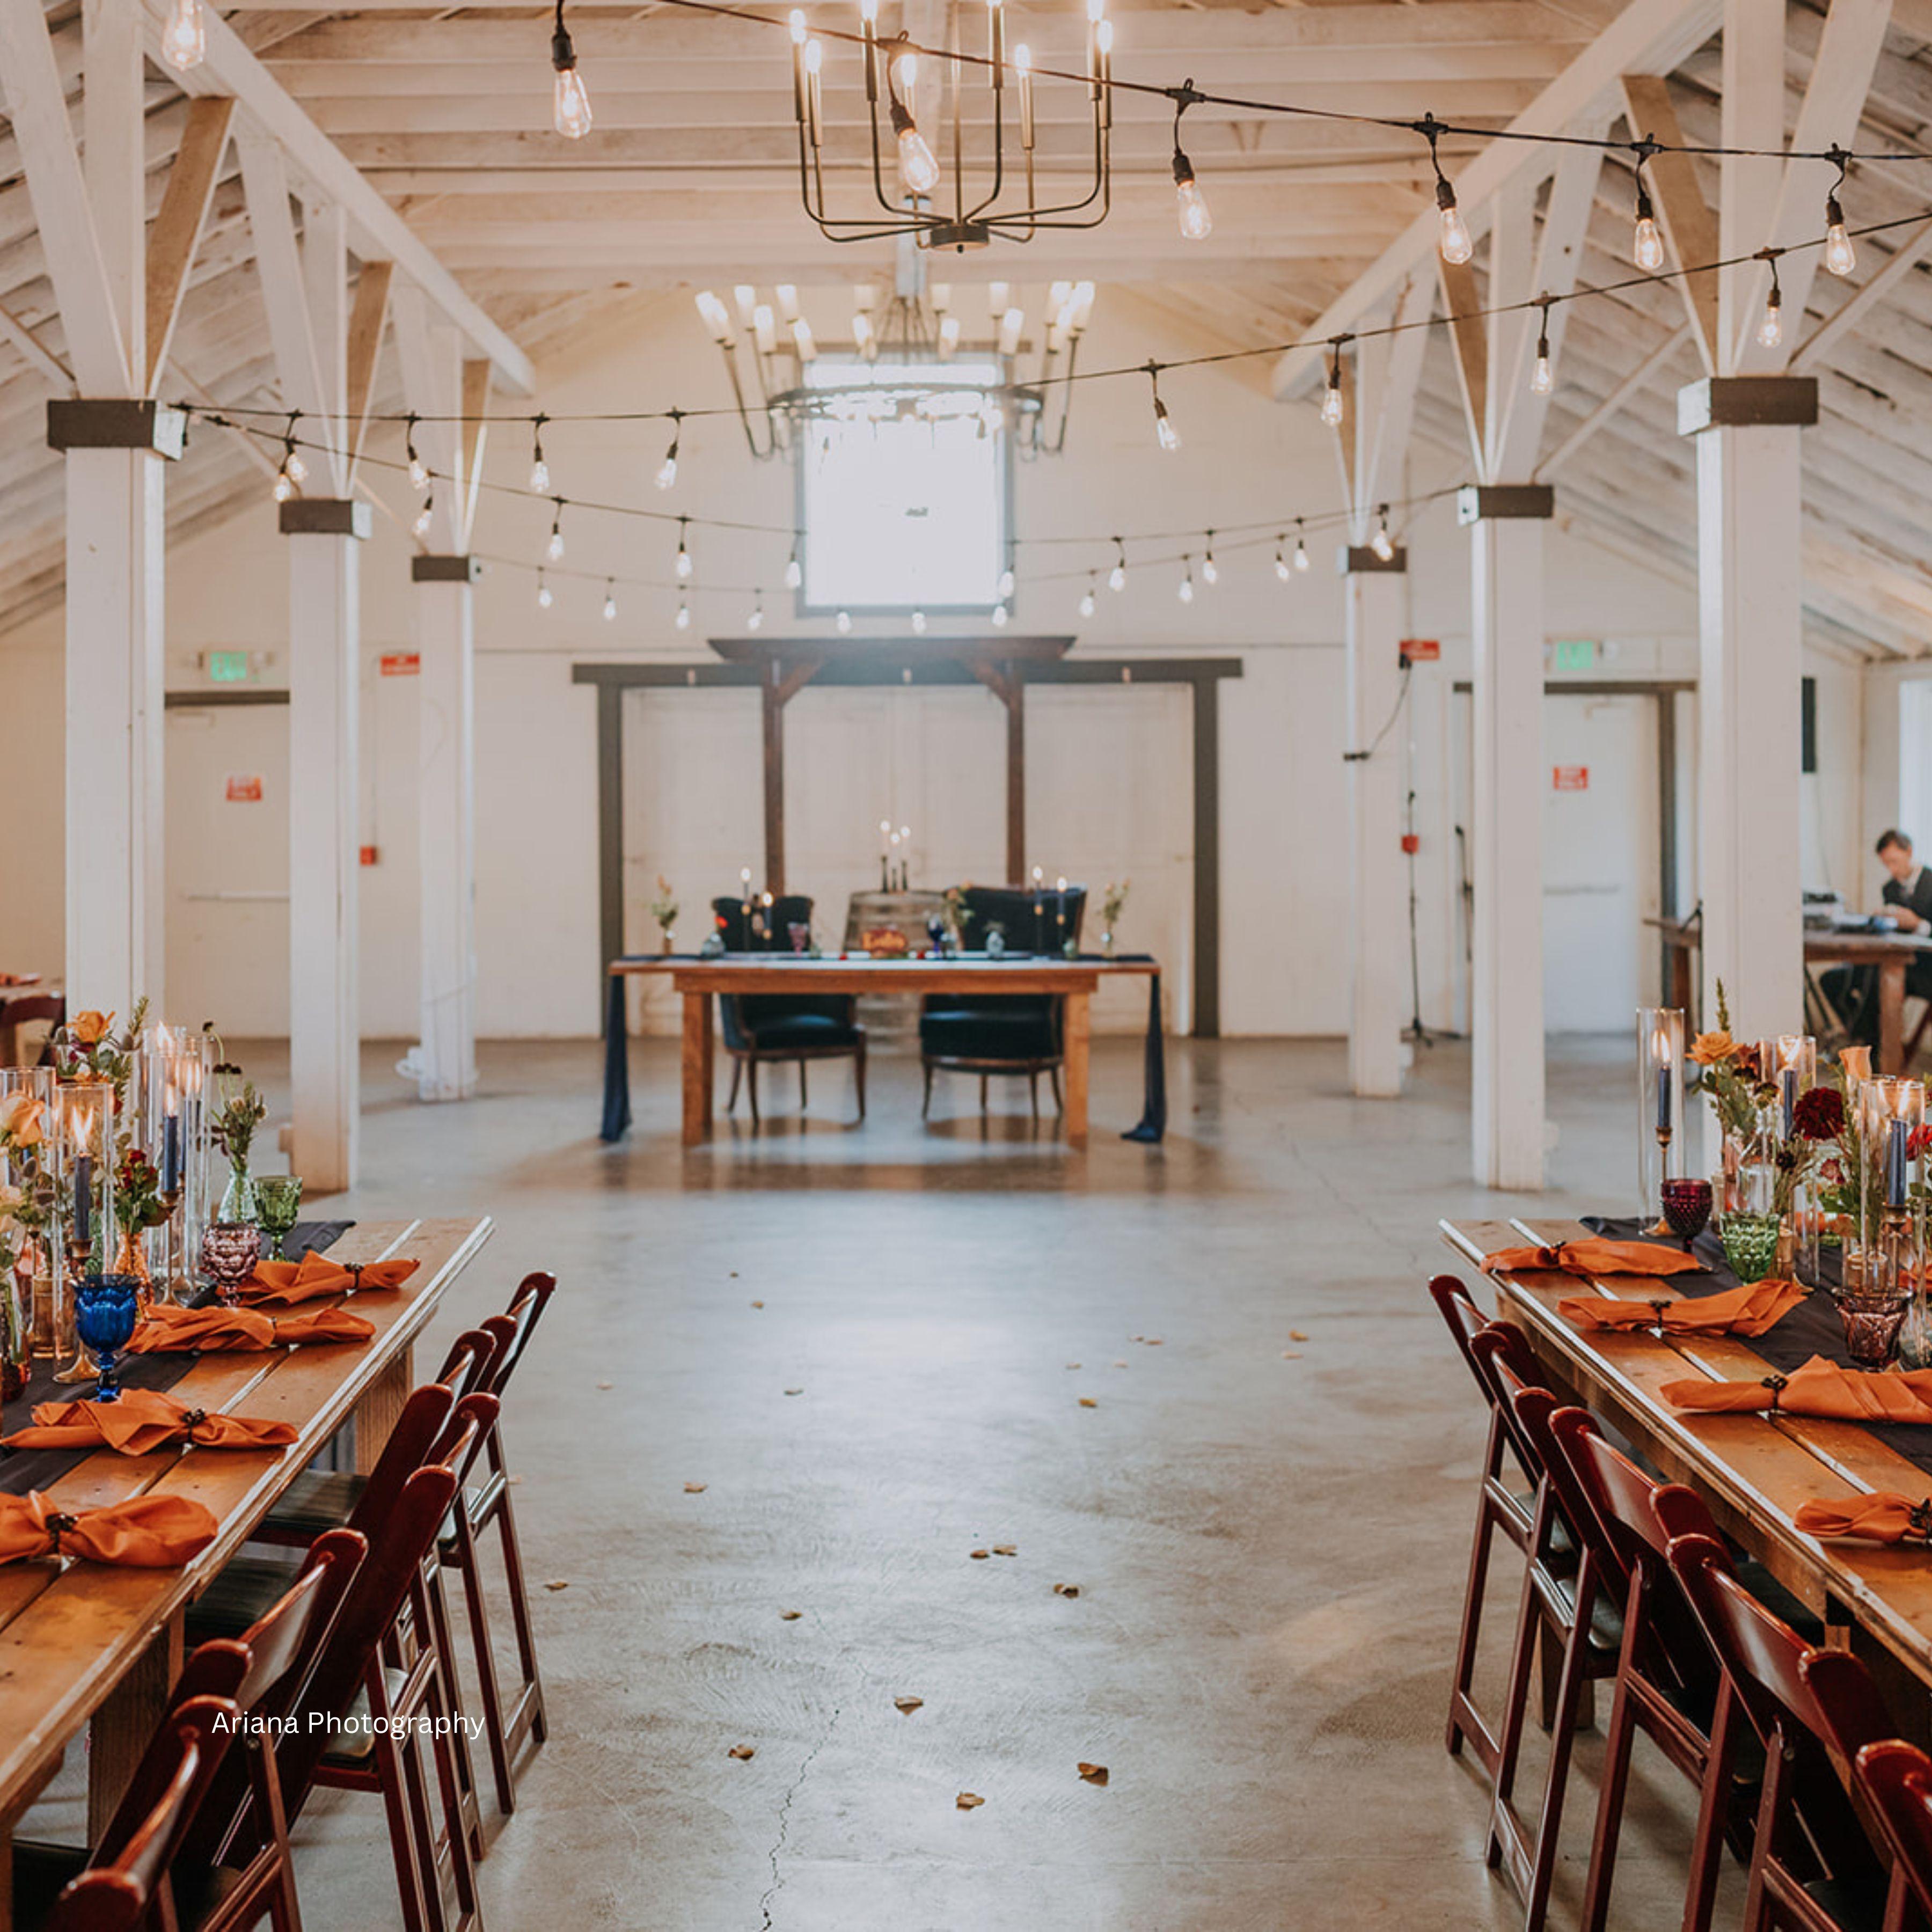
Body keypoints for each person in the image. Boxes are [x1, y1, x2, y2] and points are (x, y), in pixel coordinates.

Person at [1824, 829, 1932, 1047]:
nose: (1892, 869)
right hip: (1893, 960)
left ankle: (1864, 1044)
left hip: (1925, 969)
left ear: (1909, 852)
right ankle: (1864, 1039)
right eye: (1887, 864)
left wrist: (1919, 925)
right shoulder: (1889, 889)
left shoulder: (1930, 883)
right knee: (1834, 980)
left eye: (1894, 861)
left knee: (1878, 979)